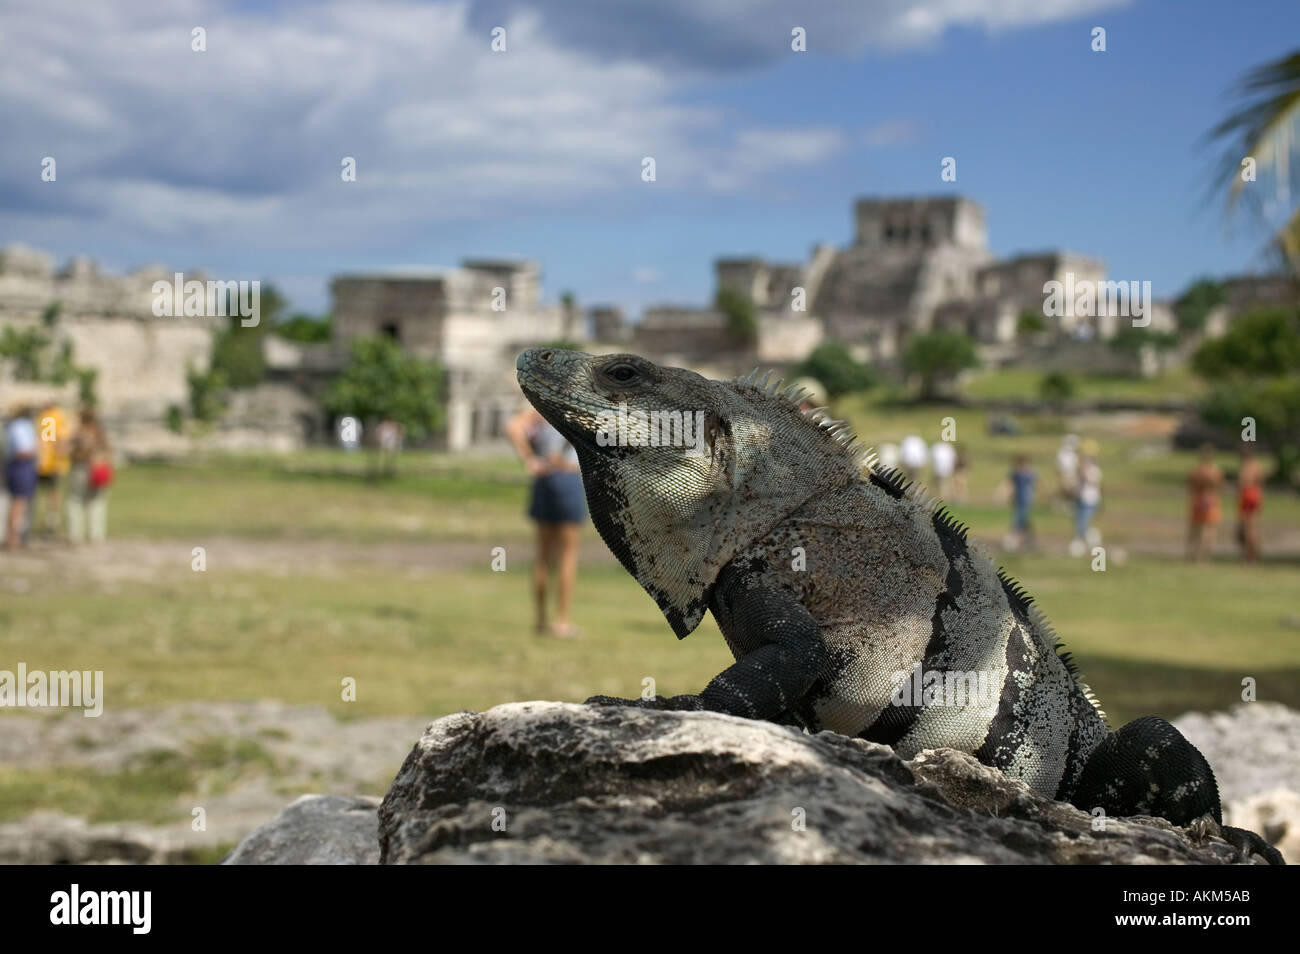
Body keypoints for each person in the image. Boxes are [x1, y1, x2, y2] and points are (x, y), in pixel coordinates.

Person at [506, 405, 585, 638]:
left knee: (542, 556)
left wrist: (529, 459)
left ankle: (540, 620)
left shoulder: (541, 403)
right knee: (567, 556)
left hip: (544, 480)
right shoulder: (580, 405)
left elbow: (513, 427)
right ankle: (561, 622)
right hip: (568, 477)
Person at [66, 407, 112, 545]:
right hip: (96, 469)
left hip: (80, 469)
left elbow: (65, 448)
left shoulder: (78, 433)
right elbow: (108, 450)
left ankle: (75, 535)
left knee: (75, 501)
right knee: (97, 503)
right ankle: (96, 535)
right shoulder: (99, 432)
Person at [3, 405, 38, 550]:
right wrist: (39, 449)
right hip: (21, 466)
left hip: (20, 466)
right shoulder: (20, 426)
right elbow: (23, 451)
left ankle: (16, 537)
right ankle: (13, 538)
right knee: (19, 503)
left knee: (20, 504)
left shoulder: (17, 425)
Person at [35, 401, 72, 536]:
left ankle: (50, 521)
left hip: (49, 464)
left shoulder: (49, 417)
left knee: (50, 493)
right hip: (56, 463)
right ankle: (52, 519)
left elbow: (48, 441)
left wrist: (51, 460)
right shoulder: (61, 416)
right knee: (54, 492)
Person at [1186, 444, 1223, 563]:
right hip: (1211, 499)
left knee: (1197, 529)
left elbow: (1190, 486)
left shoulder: (1197, 470)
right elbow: (1219, 485)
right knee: (1209, 530)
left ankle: (1196, 555)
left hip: (1199, 498)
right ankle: (1204, 557)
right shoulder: (1215, 470)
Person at [1071, 440, 1102, 556]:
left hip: (1090, 501)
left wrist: (1083, 470)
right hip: (1081, 499)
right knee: (1080, 523)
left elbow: (1092, 481)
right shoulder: (1081, 470)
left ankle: (1086, 545)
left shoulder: (1094, 470)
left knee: (1082, 524)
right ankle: (1087, 544)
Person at [1236, 447, 1264, 563]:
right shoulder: (1258, 465)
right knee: (1254, 527)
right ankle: (1254, 555)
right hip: (1257, 494)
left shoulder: (1246, 467)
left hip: (1248, 495)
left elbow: (1244, 483)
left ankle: (1249, 557)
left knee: (1248, 529)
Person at [1006, 455, 1037, 551]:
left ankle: (1013, 540)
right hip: (1018, 499)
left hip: (1027, 500)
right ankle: (1029, 540)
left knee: (1020, 519)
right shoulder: (1015, 474)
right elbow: (1010, 485)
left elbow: (1035, 485)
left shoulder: (1030, 473)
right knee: (1022, 520)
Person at [1055, 434, 1080, 509]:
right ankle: (1061, 504)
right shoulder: (1061, 452)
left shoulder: (1073, 453)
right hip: (1065, 473)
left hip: (1072, 473)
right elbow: (1059, 465)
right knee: (1064, 489)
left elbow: (1076, 464)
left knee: (1072, 489)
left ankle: (1070, 504)